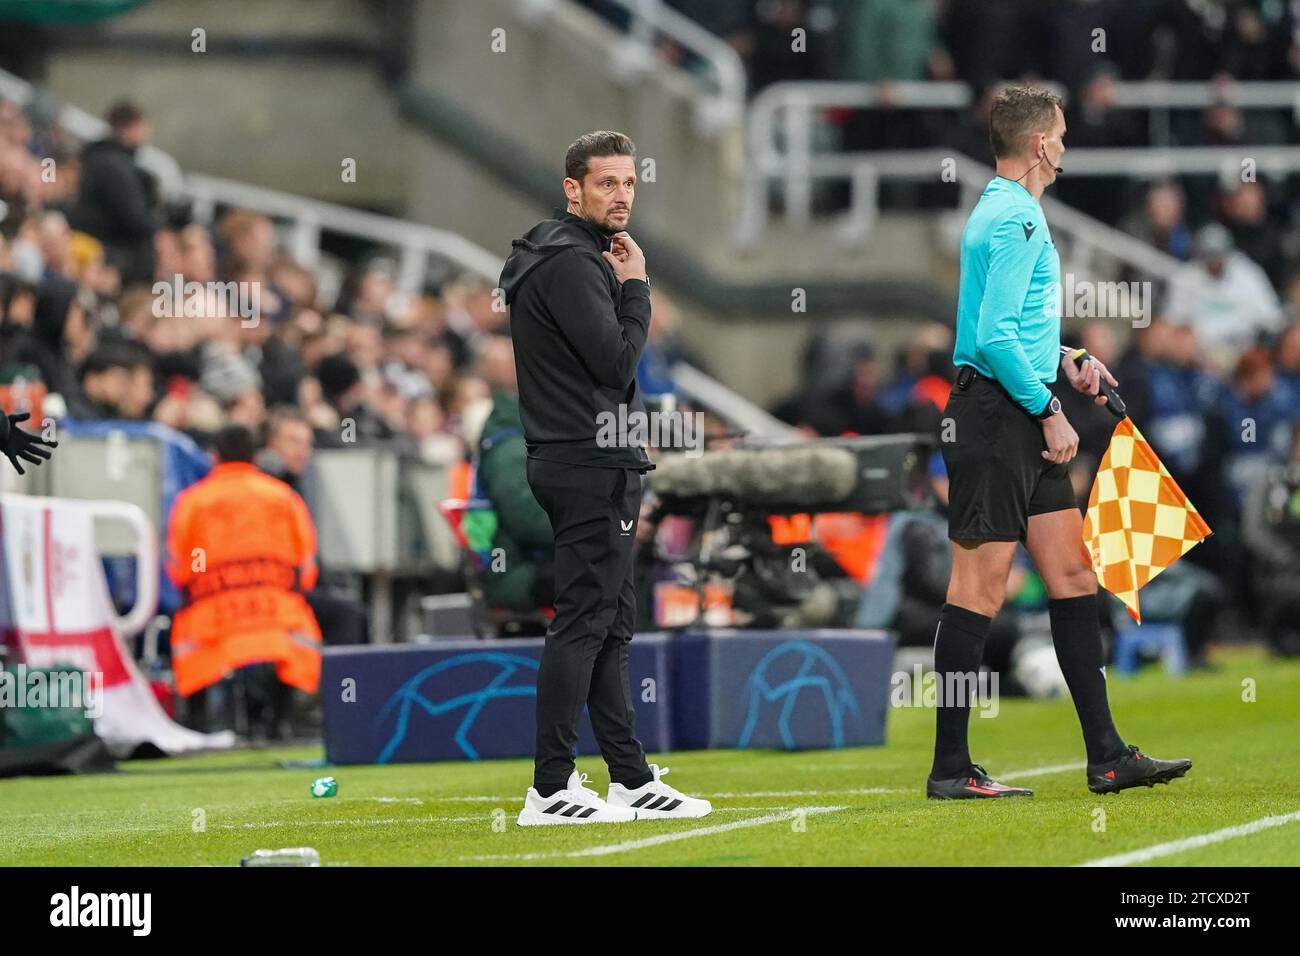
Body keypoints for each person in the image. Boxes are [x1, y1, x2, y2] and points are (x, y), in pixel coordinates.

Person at [932, 86, 1191, 800]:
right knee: (976, 590)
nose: (1066, 147)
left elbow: (1012, 329)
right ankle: (950, 769)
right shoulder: (1015, 218)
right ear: (1041, 145)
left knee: (1072, 574)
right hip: (997, 417)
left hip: (1009, 403)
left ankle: (1107, 756)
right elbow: (990, 338)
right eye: (1063, 136)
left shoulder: (1008, 212)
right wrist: (1049, 407)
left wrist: (1067, 357)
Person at [498, 130, 709, 825]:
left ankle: (629, 777)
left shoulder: (557, 254)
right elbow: (617, 362)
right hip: (587, 461)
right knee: (585, 623)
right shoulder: (571, 263)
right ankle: (552, 786)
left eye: (628, 183)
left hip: (589, 457)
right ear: (574, 189)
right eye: (607, 183)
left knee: (610, 622)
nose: (621, 196)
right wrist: (639, 287)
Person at [166, 424, 322, 738]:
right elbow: (306, 567)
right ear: (256, 455)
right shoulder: (283, 497)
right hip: (275, 613)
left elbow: (178, 566)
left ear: (214, 457)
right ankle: (280, 722)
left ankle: (198, 726)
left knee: (189, 636)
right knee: (299, 630)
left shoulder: (193, 502)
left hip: (213, 616)